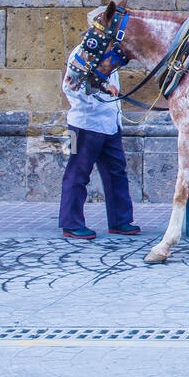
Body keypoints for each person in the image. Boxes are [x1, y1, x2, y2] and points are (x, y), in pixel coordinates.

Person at [59, 49, 140, 240]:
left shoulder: (110, 54)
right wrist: (101, 92)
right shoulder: (82, 53)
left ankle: (120, 220)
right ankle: (71, 223)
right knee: (77, 172)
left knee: (116, 172)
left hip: (109, 124)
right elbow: (70, 87)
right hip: (83, 124)